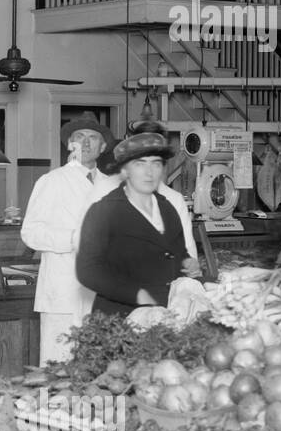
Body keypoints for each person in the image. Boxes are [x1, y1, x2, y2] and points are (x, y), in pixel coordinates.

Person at [20, 114, 113, 364]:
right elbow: (30, 232)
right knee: (58, 367)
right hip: (62, 293)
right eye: (79, 137)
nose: (85, 143)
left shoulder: (113, 186)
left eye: (93, 137)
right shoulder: (52, 181)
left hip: (102, 293)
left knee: (98, 368)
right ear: (69, 144)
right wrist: (74, 238)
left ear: (103, 147)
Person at [76, 130, 198, 316]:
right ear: (125, 171)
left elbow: (177, 253)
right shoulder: (103, 211)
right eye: (140, 164)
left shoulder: (168, 209)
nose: (149, 172)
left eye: (156, 163)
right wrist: (136, 295)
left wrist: (187, 263)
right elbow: (88, 270)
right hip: (118, 318)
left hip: (162, 317)